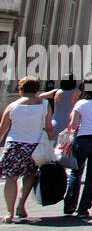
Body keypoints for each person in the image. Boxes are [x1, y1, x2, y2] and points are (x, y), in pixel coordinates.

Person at [0, 75, 55, 223]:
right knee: (29, 175)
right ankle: (21, 206)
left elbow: (2, 129)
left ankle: (9, 212)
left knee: (11, 178)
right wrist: (51, 143)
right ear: (37, 89)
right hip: (35, 146)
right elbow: (49, 127)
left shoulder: (12, 106)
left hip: (14, 145)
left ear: (20, 89)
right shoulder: (45, 105)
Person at [64, 78, 92, 218]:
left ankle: (70, 205)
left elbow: (74, 125)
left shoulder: (80, 104)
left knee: (75, 172)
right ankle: (83, 209)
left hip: (82, 140)